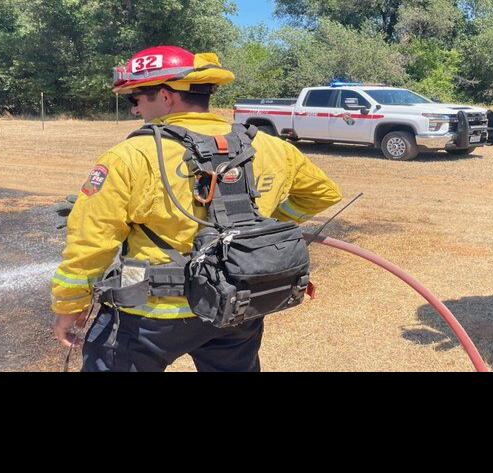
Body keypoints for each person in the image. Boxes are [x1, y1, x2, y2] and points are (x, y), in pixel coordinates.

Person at [50, 45, 342, 372]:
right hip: (235, 304)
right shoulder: (270, 146)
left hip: (149, 315)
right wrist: (262, 225)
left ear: (165, 96)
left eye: (135, 98)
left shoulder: (130, 155)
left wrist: (70, 305)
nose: (134, 109)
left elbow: (92, 241)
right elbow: (322, 194)